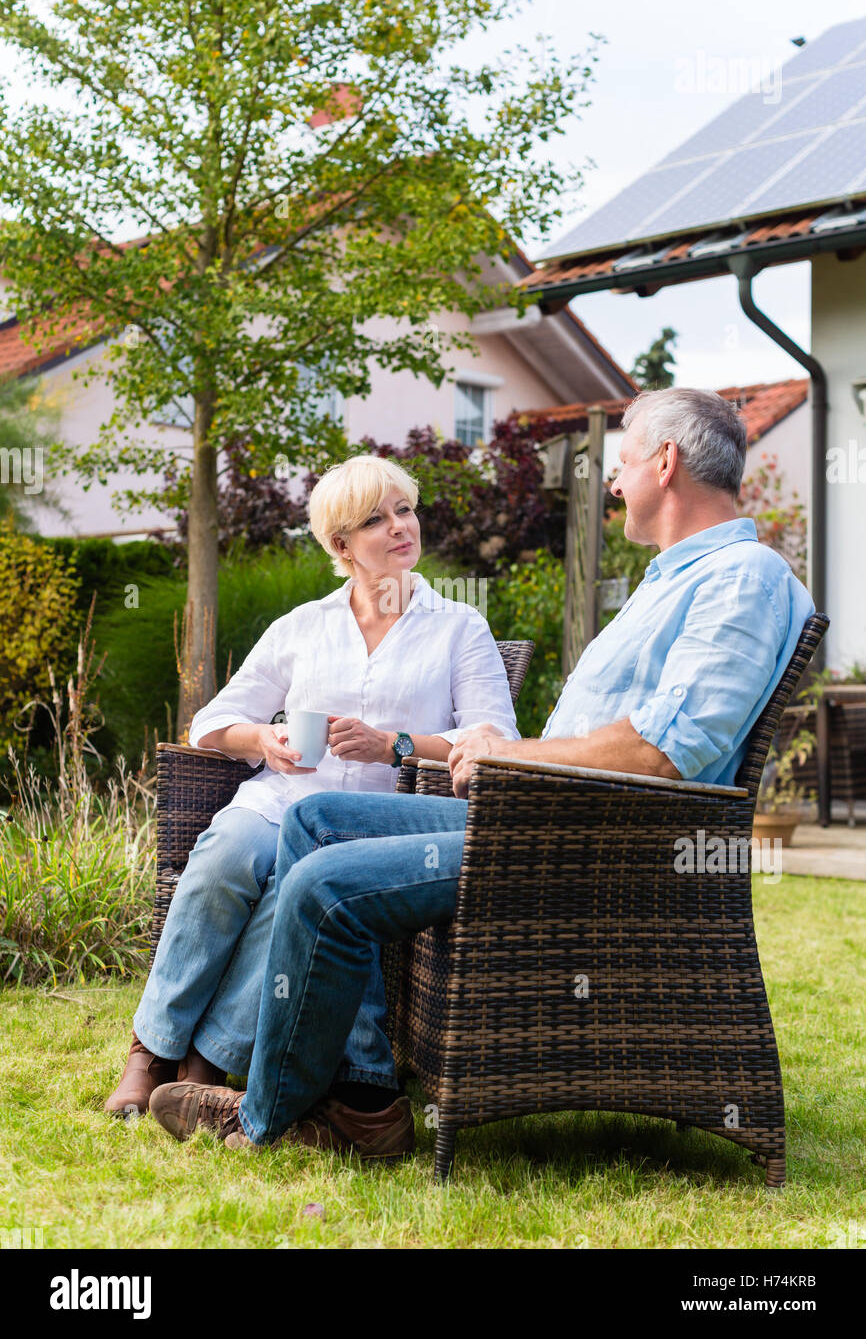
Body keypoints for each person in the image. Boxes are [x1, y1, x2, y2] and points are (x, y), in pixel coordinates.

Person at [149, 387, 816, 1160]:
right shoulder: (672, 581)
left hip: (592, 841)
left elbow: (661, 753)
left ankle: (272, 1115)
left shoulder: (741, 578)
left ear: (665, 463)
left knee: (322, 883)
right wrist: (505, 758)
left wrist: (505, 753)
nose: (612, 481)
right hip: (535, 813)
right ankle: (364, 1093)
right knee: (312, 818)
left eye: (624, 461)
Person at [105, 454, 518, 1117]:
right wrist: (263, 740)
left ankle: (208, 1058)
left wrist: (396, 745)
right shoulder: (302, 627)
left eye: (404, 510)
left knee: (293, 884)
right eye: (375, 520)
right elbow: (212, 722)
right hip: (276, 799)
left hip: (370, 821)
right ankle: (150, 1051)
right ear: (341, 545)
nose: (399, 527)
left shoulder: (458, 627)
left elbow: (494, 739)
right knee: (222, 859)